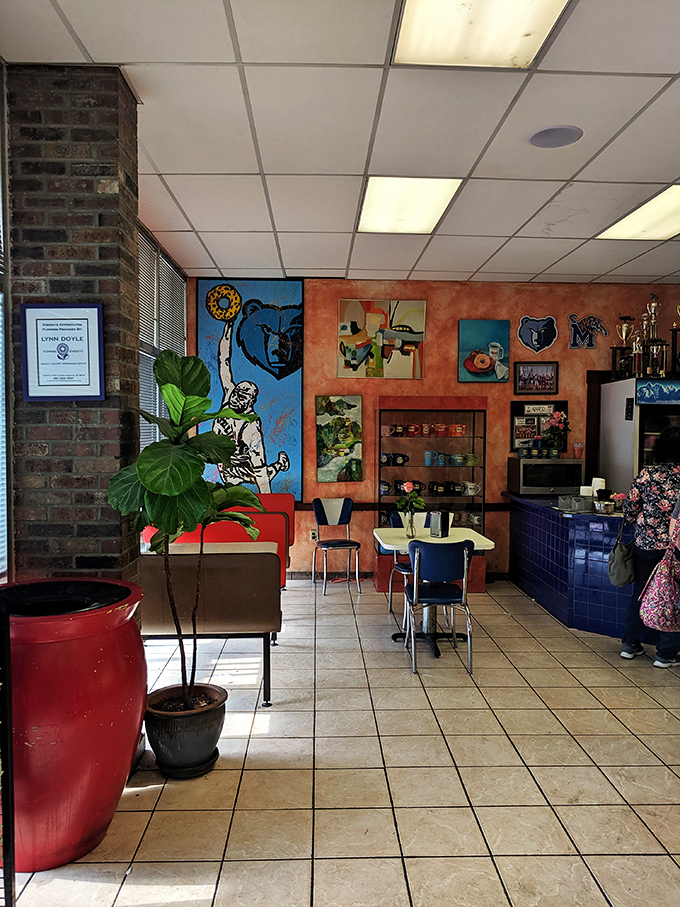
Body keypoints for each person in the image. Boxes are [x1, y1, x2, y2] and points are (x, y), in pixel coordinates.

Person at [212, 298, 289, 494]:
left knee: (257, 477)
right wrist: (229, 326)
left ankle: (280, 465)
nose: (238, 396)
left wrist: (268, 507)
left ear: (251, 401)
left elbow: (260, 467)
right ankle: (278, 465)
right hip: (225, 467)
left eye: (244, 395)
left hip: (243, 465)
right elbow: (224, 360)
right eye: (238, 391)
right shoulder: (229, 394)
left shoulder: (251, 426)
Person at [620, 426, 680, 667]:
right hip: (675, 549)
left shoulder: (647, 475)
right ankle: (666, 653)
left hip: (645, 546)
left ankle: (629, 643)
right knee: (672, 598)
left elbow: (629, 510)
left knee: (641, 593)